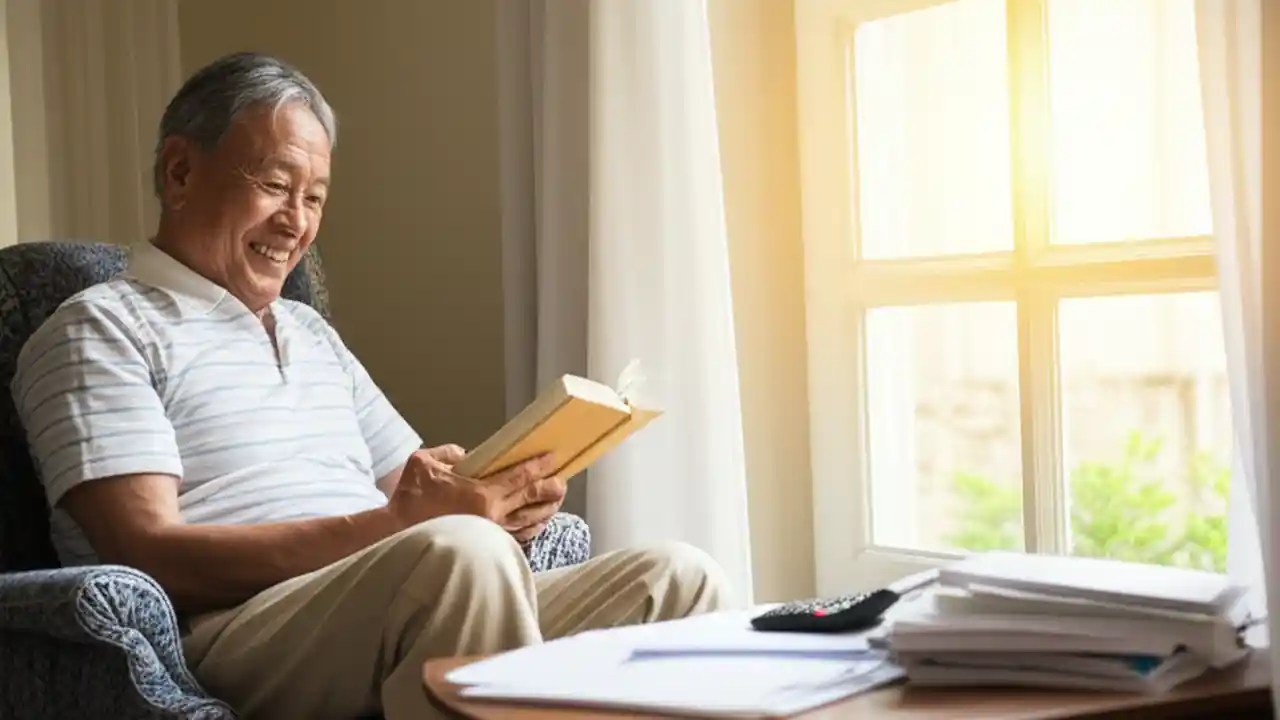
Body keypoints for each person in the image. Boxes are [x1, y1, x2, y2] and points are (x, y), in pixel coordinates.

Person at [11, 52, 733, 720]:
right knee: (460, 555)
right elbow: (149, 554)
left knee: (676, 576)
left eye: (315, 198)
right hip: (240, 624)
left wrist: (498, 496)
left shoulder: (309, 332)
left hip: (399, 589)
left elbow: (414, 492)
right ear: (179, 173)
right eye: (273, 186)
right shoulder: (100, 327)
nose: (296, 224)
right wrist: (414, 526)